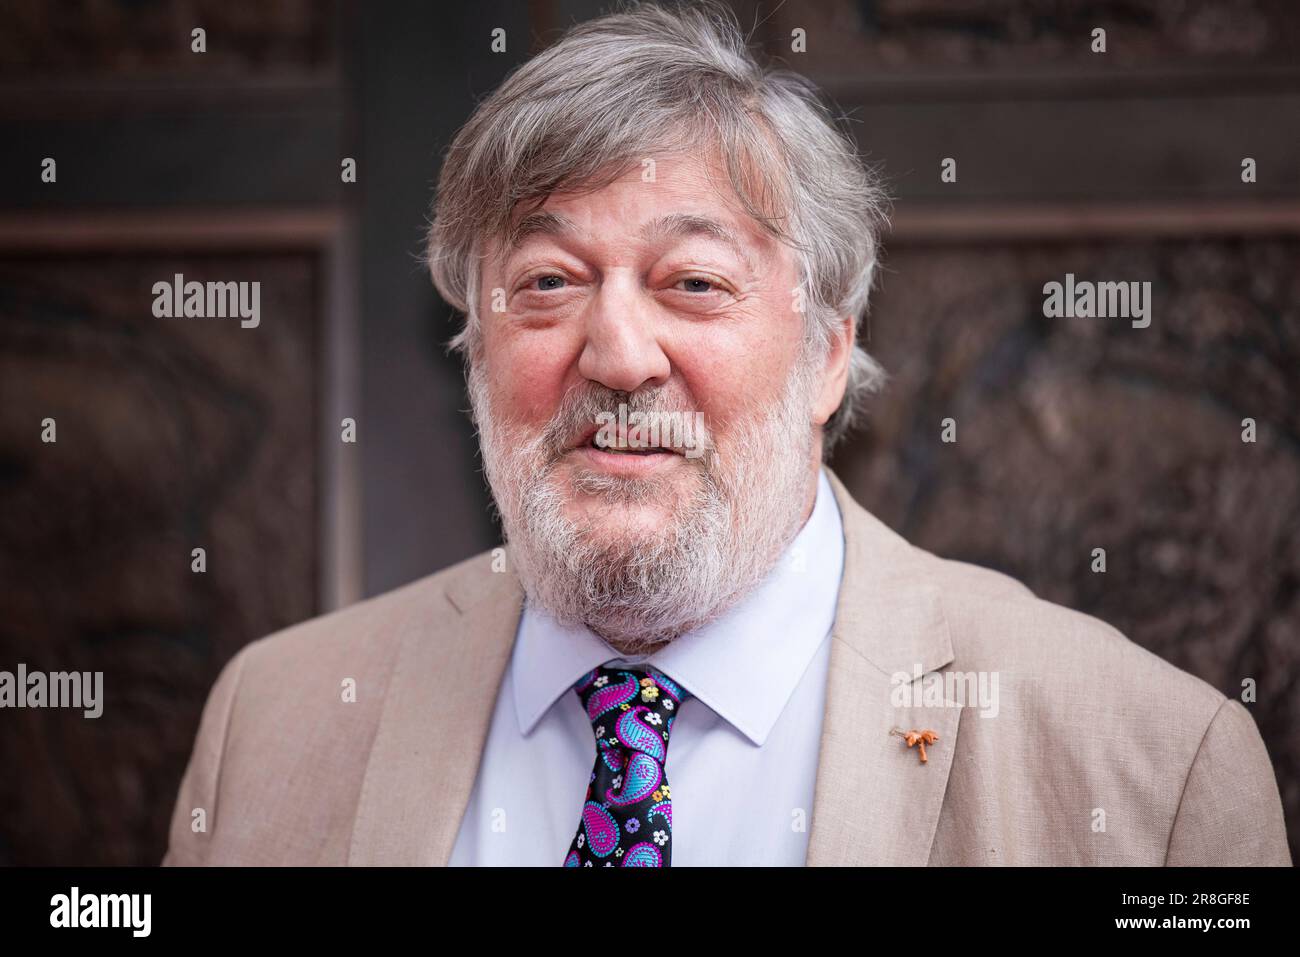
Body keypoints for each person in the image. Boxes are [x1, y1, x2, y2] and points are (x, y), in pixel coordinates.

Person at [163, 1, 1290, 867]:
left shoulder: (1149, 776)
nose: (615, 354)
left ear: (828, 352)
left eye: (693, 282)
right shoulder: (276, 721)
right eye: (547, 282)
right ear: (474, 347)